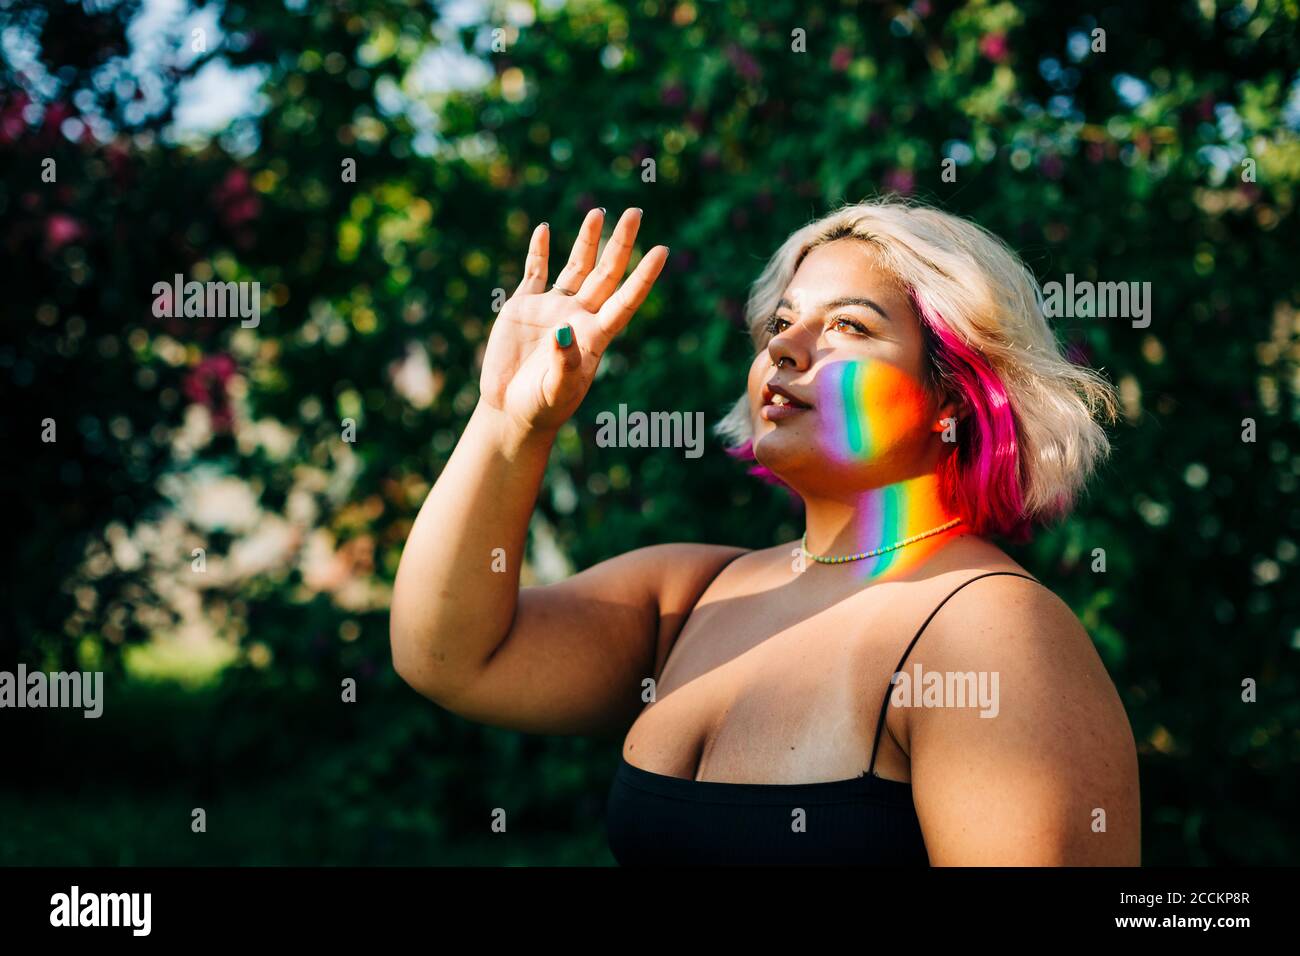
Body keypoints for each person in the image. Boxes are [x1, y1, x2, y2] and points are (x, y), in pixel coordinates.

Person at [390, 201, 1141, 865]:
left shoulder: (991, 631)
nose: (785, 346)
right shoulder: (688, 594)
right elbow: (452, 656)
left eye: (848, 325)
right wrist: (508, 424)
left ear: (955, 393)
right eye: (781, 324)